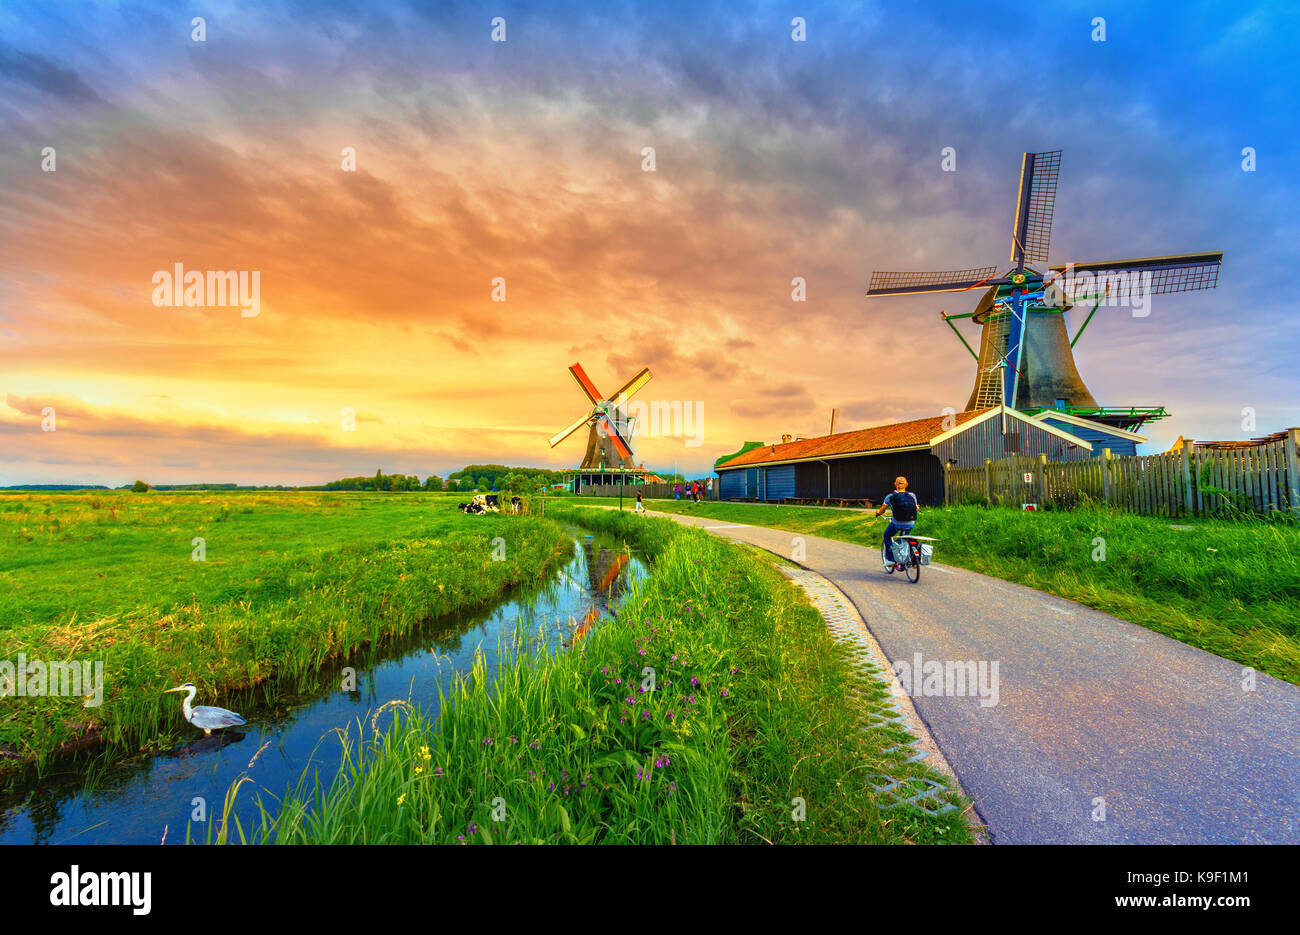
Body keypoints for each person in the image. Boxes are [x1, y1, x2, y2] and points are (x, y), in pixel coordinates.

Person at [874, 476, 919, 570]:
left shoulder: (891, 496)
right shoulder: (912, 495)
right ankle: (914, 560)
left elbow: (882, 510)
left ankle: (890, 560)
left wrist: (877, 513)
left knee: (887, 535)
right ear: (906, 484)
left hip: (897, 522)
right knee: (904, 539)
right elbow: (916, 508)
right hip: (911, 523)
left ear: (895, 484)